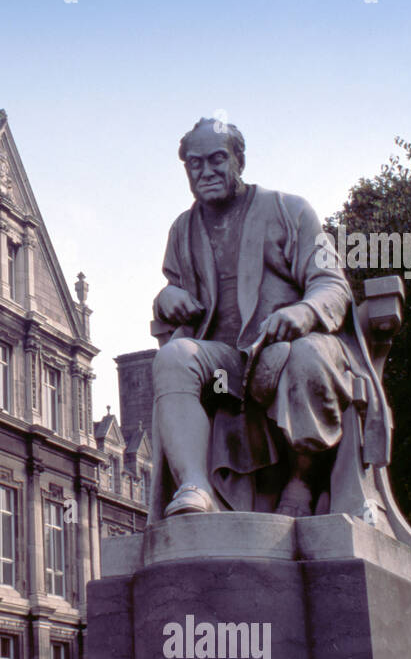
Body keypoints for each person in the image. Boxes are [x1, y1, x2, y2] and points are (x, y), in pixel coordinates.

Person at [149, 118, 392, 521]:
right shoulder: (182, 229)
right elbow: (176, 291)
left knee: (306, 357)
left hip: (291, 345)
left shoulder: (290, 210)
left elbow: (332, 285)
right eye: (194, 164)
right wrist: (165, 296)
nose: (205, 172)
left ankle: (303, 480)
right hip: (227, 359)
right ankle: (196, 486)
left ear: (239, 161)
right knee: (173, 357)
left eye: (216, 159)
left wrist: (304, 311)